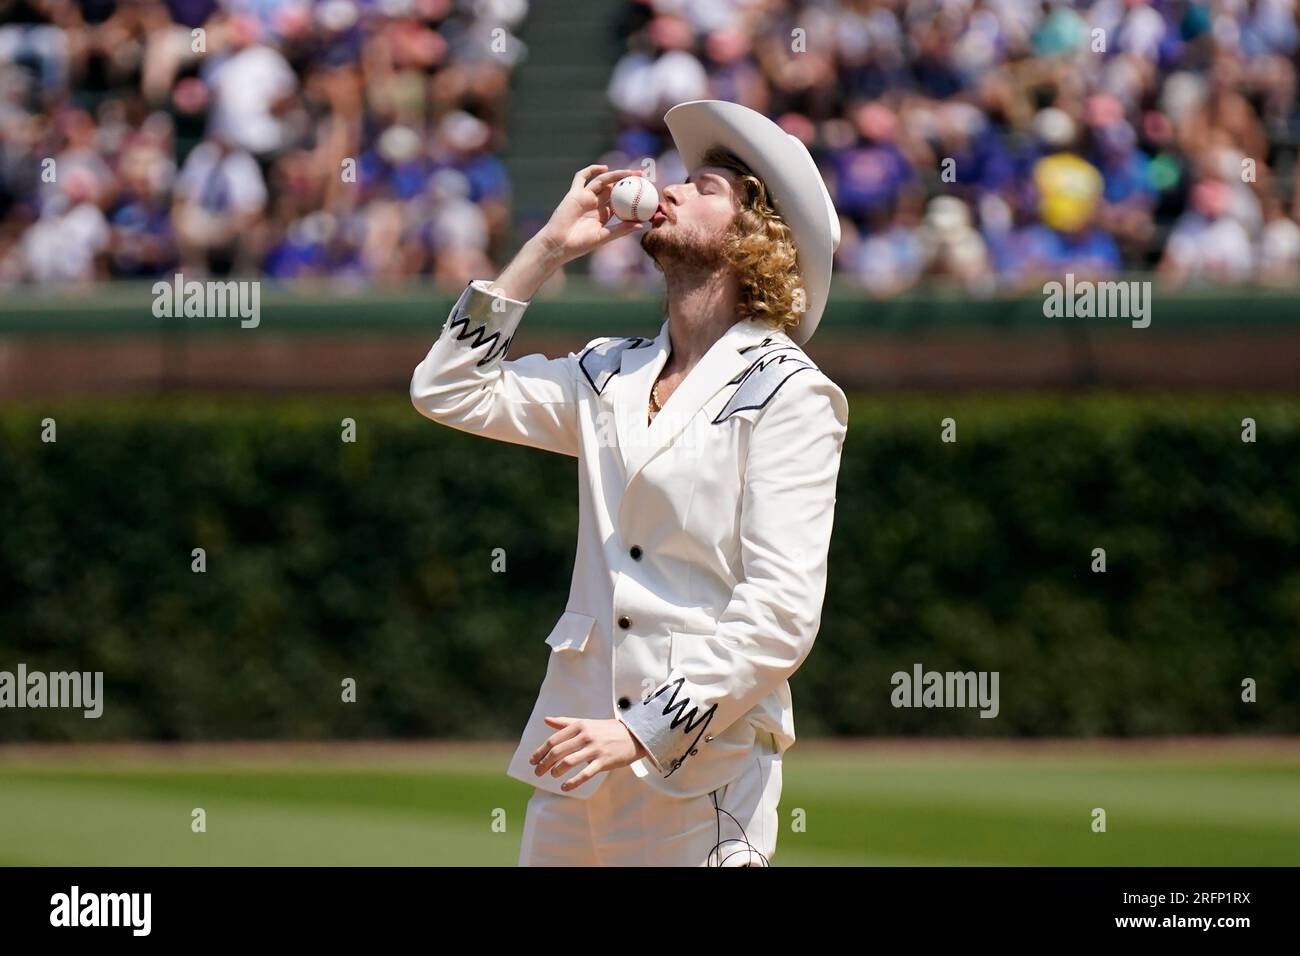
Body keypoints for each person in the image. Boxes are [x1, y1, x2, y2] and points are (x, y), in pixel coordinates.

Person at [410, 100, 848, 866]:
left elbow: (781, 614)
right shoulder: (608, 369)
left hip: (703, 772)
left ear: (757, 235)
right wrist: (547, 250)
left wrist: (645, 730)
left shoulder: (792, 391)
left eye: (705, 187)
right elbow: (446, 389)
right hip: (573, 757)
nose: (669, 189)